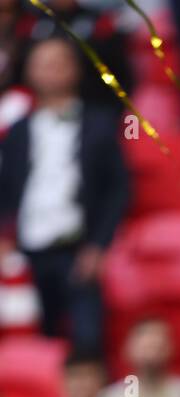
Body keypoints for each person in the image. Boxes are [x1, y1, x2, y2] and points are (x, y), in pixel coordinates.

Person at [0, 37, 128, 350]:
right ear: (29, 72)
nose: (52, 71)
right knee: (35, 340)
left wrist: (99, 244)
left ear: (75, 69)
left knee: (87, 339)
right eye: (43, 64)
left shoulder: (100, 123)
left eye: (59, 62)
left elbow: (117, 189)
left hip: (78, 248)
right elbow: (6, 187)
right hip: (27, 250)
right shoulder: (19, 130)